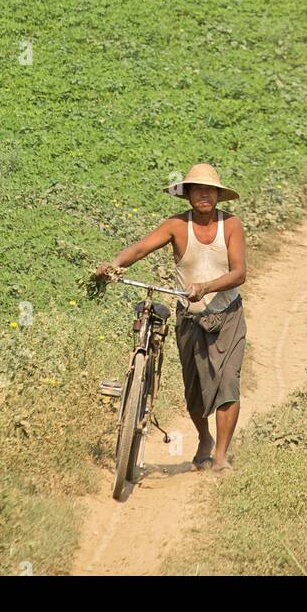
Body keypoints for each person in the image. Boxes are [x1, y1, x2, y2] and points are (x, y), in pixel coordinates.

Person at [96, 162, 246, 474]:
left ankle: (220, 455)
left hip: (227, 316)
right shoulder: (176, 226)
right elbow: (140, 249)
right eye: (198, 190)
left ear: (218, 196)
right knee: (194, 389)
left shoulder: (231, 225)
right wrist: (114, 264)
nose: (204, 195)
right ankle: (203, 438)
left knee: (226, 381)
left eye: (210, 191)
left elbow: (239, 273)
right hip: (190, 319)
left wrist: (206, 287)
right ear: (188, 194)